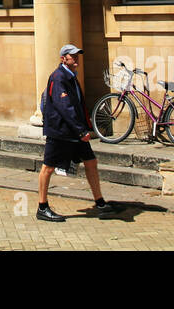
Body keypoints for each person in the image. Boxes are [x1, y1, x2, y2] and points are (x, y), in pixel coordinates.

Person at [36, 45, 120, 222]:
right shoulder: (59, 77)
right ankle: (42, 207)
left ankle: (99, 202)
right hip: (61, 131)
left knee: (91, 162)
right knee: (48, 167)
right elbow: (65, 107)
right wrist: (81, 130)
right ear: (63, 59)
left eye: (77, 56)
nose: (76, 59)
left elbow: (76, 105)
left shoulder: (71, 77)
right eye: (72, 56)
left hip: (73, 131)